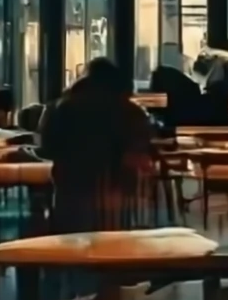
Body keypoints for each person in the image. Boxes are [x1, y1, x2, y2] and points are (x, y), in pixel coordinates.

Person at [39, 58, 155, 231]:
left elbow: (46, 148)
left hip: (70, 193)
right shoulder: (131, 112)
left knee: (70, 239)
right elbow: (142, 149)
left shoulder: (60, 107)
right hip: (117, 195)